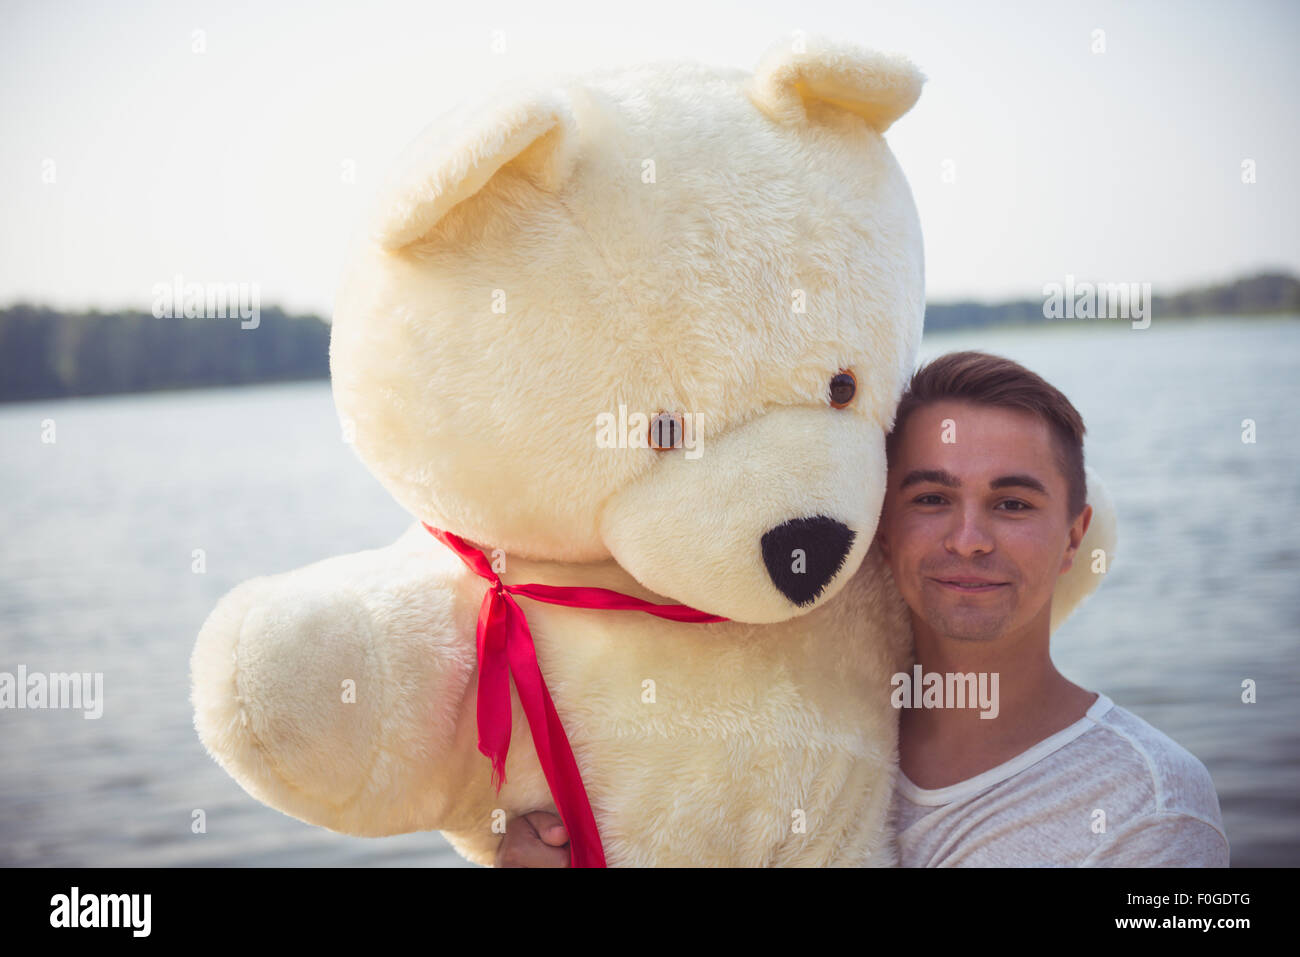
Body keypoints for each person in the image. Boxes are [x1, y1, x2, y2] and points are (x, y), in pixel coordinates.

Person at [493, 351, 1230, 867]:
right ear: (879, 525)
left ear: (1074, 536)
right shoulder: (790, 743)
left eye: (1011, 503)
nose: (968, 540)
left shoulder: (1152, 803)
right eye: (932, 498)